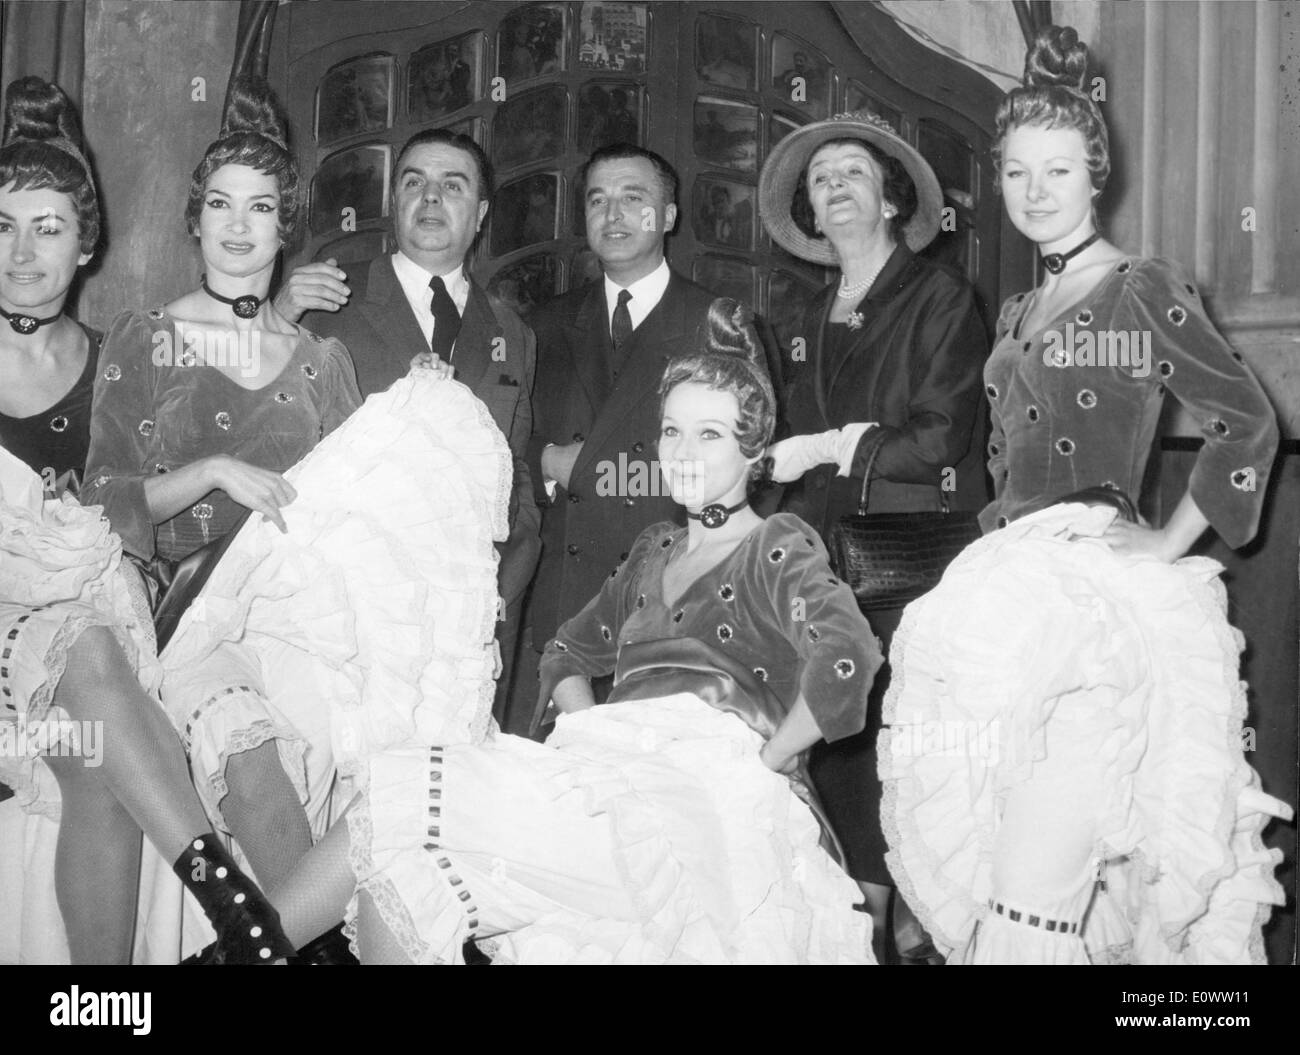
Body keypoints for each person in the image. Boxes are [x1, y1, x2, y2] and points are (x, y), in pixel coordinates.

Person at [184, 298, 880, 963]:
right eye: (671, 430)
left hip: (710, 801)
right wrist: (595, 738)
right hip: (621, 782)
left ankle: (236, 953)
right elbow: (565, 653)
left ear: (754, 451)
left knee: (418, 798)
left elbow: (848, 658)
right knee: (404, 876)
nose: (684, 451)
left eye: (710, 434)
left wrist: (765, 760)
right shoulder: (655, 551)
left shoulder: (777, 543)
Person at [881, 25, 1289, 965]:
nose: (1034, 193)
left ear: (1093, 176)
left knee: (1040, 892)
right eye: (1017, 173)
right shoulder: (1022, 310)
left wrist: (1167, 540)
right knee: (1005, 880)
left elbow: (1246, 421)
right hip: (1008, 588)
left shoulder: (1142, 287)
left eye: (1056, 172)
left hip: (1096, 601)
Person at [0, 75, 295, 966]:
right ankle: (238, 903)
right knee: (85, 654)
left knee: (93, 744)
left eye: (48, 228)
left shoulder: (110, 360)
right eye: (2, 227)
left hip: (92, 654)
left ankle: (103, 1004)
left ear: (85, 246)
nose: (22, 252)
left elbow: (135, 514)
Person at [82, 76, 362, 907]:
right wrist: (207, 472)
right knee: (248, 749)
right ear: (195, 219)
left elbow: (356, 512)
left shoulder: (323, 363)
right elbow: (103, 498)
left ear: (286, 227)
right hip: (196, 615)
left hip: (310, 618)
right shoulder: (150, 339)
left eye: (262, 207)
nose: (239, 226)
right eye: (222, 205)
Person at [756, 109, 988, 958]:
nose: (837, 186)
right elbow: (789, 446)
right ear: (811, 217)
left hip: (908, 572)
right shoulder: (808, 310)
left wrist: (830, 444)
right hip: (824, 571)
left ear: (890, 200)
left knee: (894, 762)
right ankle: (864, 934)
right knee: (838, 760)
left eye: (854, 171)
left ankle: (895, 932)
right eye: (822, 180)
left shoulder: (940, 296)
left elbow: (938, 440)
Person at [273, 126, 539, 733]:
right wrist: (277, 318)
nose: (431, 198)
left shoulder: (511, 332)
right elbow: (256, 420)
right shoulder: (324, 294)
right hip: (344, 609)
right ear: (395, 202)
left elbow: (515, 475)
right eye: (414, 183)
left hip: (467, 616)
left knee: (446, 802)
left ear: (481, 214)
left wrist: (504, 582)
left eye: (453, 185)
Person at [521, 144, 776, 733]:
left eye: (633, 198)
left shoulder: (716, 322)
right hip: (567, 609)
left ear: (667, 217)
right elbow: (508, 447)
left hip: (681, 610)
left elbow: (757, 464)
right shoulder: (544, 323)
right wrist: (548, 464)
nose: (612, 214)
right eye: (597, 200)